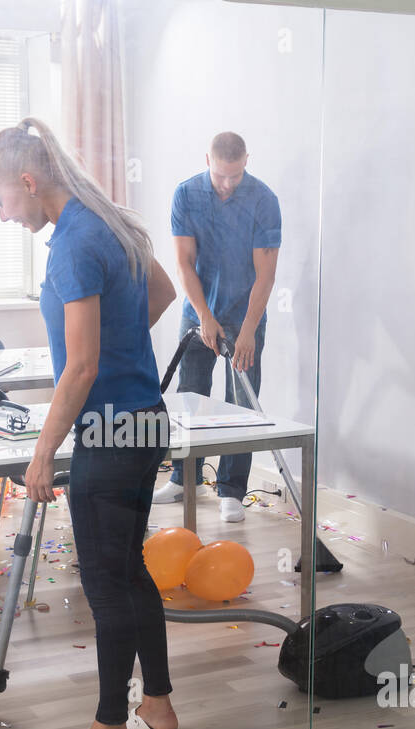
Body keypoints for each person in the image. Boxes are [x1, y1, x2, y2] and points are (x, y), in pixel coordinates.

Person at [0, 117, 179, 729]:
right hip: (145, 420)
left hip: (109, 433)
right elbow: (161, 293)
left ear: (29, 183)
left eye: (1, 201)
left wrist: (41, 454)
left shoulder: (71, 244)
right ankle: (158, 709)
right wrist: (121, 346)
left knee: (106, 584)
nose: (4, 216)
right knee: (132, 569)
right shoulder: (112, 222)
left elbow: (82, 367)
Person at [152, 131, 281, 523]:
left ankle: (231, 491)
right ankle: (183, 477)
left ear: (247, 161)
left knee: (242, 404)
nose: (227, 184)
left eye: (236, 175)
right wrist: (204, 316)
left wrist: (247, 330)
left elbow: (266, 274)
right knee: (191, 396)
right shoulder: (186, 195)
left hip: (247, 316)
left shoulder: (264, 200)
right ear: (207, 160)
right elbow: (184, 263)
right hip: (198, 312)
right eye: (221, 175)